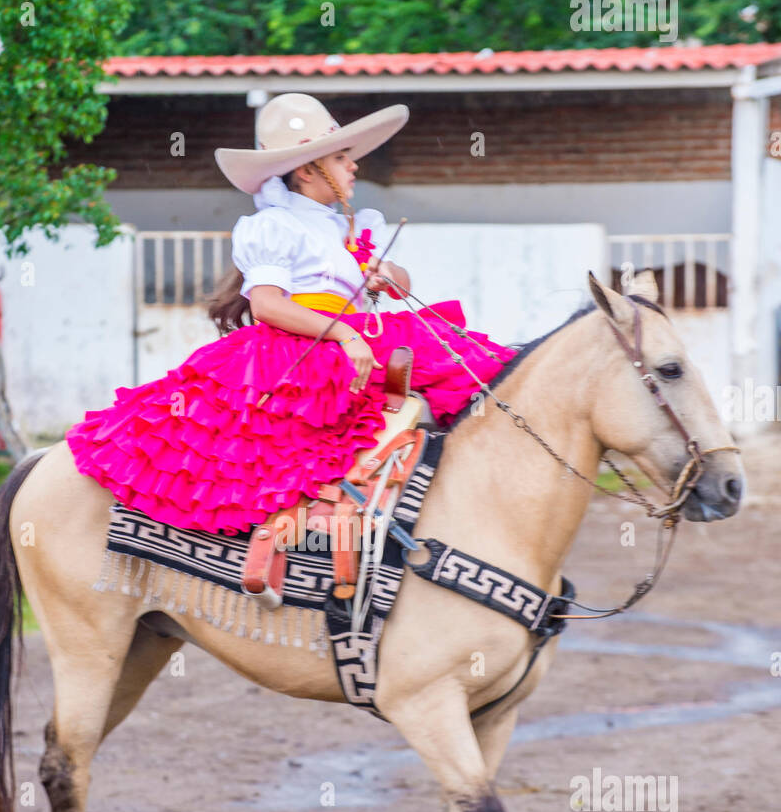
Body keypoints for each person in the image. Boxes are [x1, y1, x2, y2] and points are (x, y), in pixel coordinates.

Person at [66, 93, 516, 538]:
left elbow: (403, 286)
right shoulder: (276, 225)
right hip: (303, 343)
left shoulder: (351, 226)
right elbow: (266, 304)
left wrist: (386, 274)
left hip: (358, 332)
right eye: (342, 158)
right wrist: (344, 333)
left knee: (468, 360)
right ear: (306, 170)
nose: (354, 166)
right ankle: (324, 511)